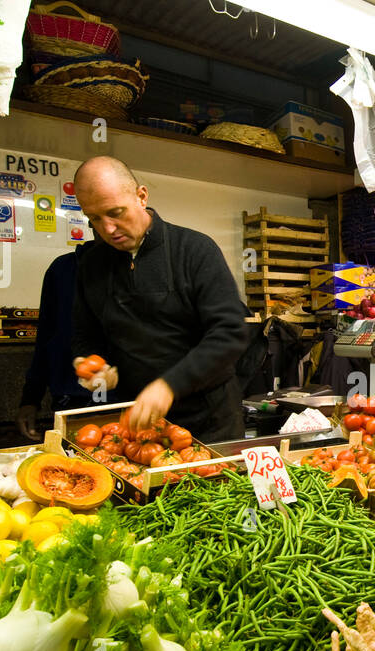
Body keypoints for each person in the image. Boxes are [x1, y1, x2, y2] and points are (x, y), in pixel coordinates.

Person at [69, 156, 249, 443]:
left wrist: (168, 386)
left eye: (115, 212)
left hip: (210, 420)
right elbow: (84, 334)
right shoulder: (92, 265)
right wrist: (91, 364)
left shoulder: (194, 250)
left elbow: (229, 333)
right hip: (139, 422)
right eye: (94, 218)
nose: (108, 229)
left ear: (141, 196)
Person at [16, 246, 94, 441]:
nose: (110, 227)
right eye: (98, 219)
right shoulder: (63, 269)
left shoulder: (137, 267)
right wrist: (31, 398)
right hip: (71, 400)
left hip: (130, 403)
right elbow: (46, 336)